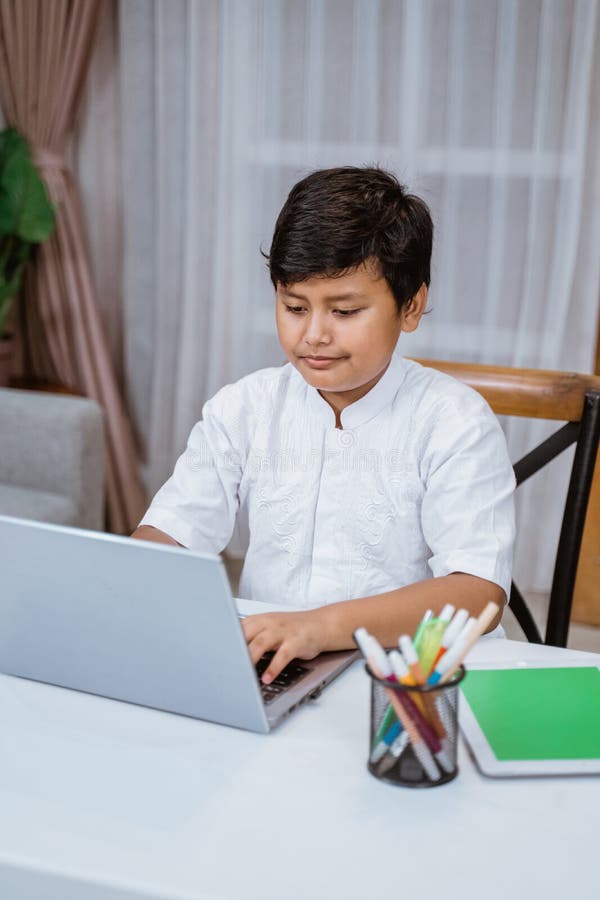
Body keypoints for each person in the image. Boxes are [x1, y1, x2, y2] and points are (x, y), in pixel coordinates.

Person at [132, 166, 515, 685]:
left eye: (345, 310)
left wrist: (322, 626)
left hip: (411, 683)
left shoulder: (454, 423)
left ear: (411, 306)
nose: (313, 334)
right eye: (294, 306)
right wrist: (131, 579)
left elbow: (477, 595)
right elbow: (173, 532)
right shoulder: (244, 408)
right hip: (276, 668)